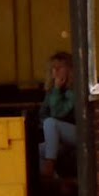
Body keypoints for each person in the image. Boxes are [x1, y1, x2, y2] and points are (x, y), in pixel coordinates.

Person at [38, 51, 77, 179]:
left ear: (69, 69)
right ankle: (55, 181)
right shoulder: (52, 90)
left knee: (51, 122)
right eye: (53, 69)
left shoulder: (74, 90)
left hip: (78, 133)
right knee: (35, 150)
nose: (55, 72)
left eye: (59, 68)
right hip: (57, 137)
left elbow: (58, 113)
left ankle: (50, 163)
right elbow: (43, 113)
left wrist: (57, 90)